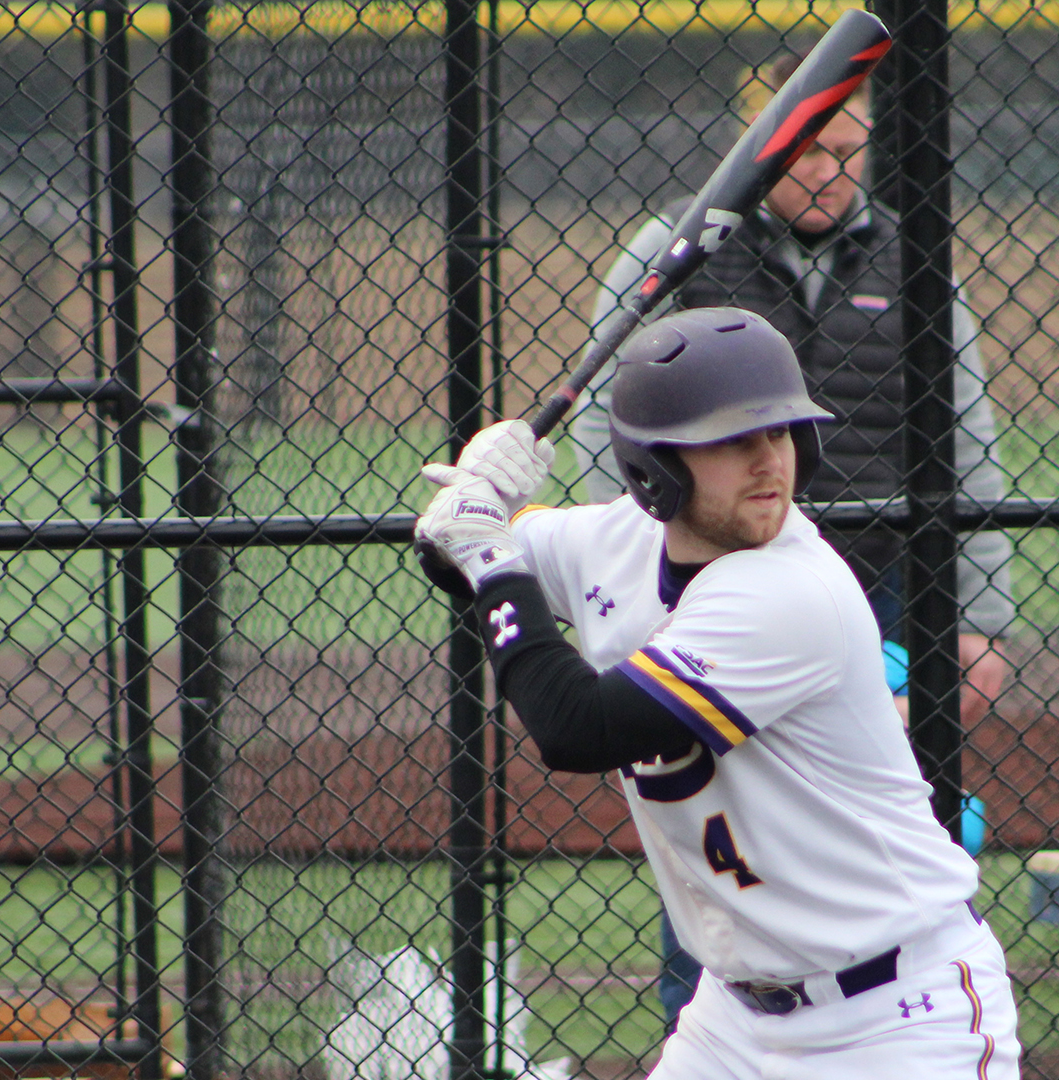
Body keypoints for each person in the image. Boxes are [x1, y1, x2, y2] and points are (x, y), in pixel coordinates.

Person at [414, 307, 1022, 1078]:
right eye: (732, 441)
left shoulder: (790, 591)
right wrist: (476, 494)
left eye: (779, 434)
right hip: (733, 1022)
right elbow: (455, 555)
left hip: (896, 1020)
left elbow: (578, 728)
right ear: (656, 468)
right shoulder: (612, 541)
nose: (769, 462)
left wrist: (491, 555)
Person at [568, 50, 1016, 678]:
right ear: (762, 146)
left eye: (848, 150)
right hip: (716, 565)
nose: (830, 172)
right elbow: (605, 415)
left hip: (877, 575)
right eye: (807, 152)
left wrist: (981, 617)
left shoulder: (914, 257)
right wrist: (640, 552)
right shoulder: (678, 247)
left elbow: (965, 429)